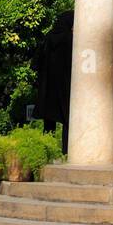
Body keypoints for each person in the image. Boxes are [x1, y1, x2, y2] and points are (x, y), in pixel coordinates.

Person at [35, 11, 74, 154]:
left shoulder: (48, 38)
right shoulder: (70, 40)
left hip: (47, 88)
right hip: (64, 86)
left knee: (49, 122)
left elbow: (36, 63)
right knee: (68, 120)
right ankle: (67, 152)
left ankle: (46, 153)